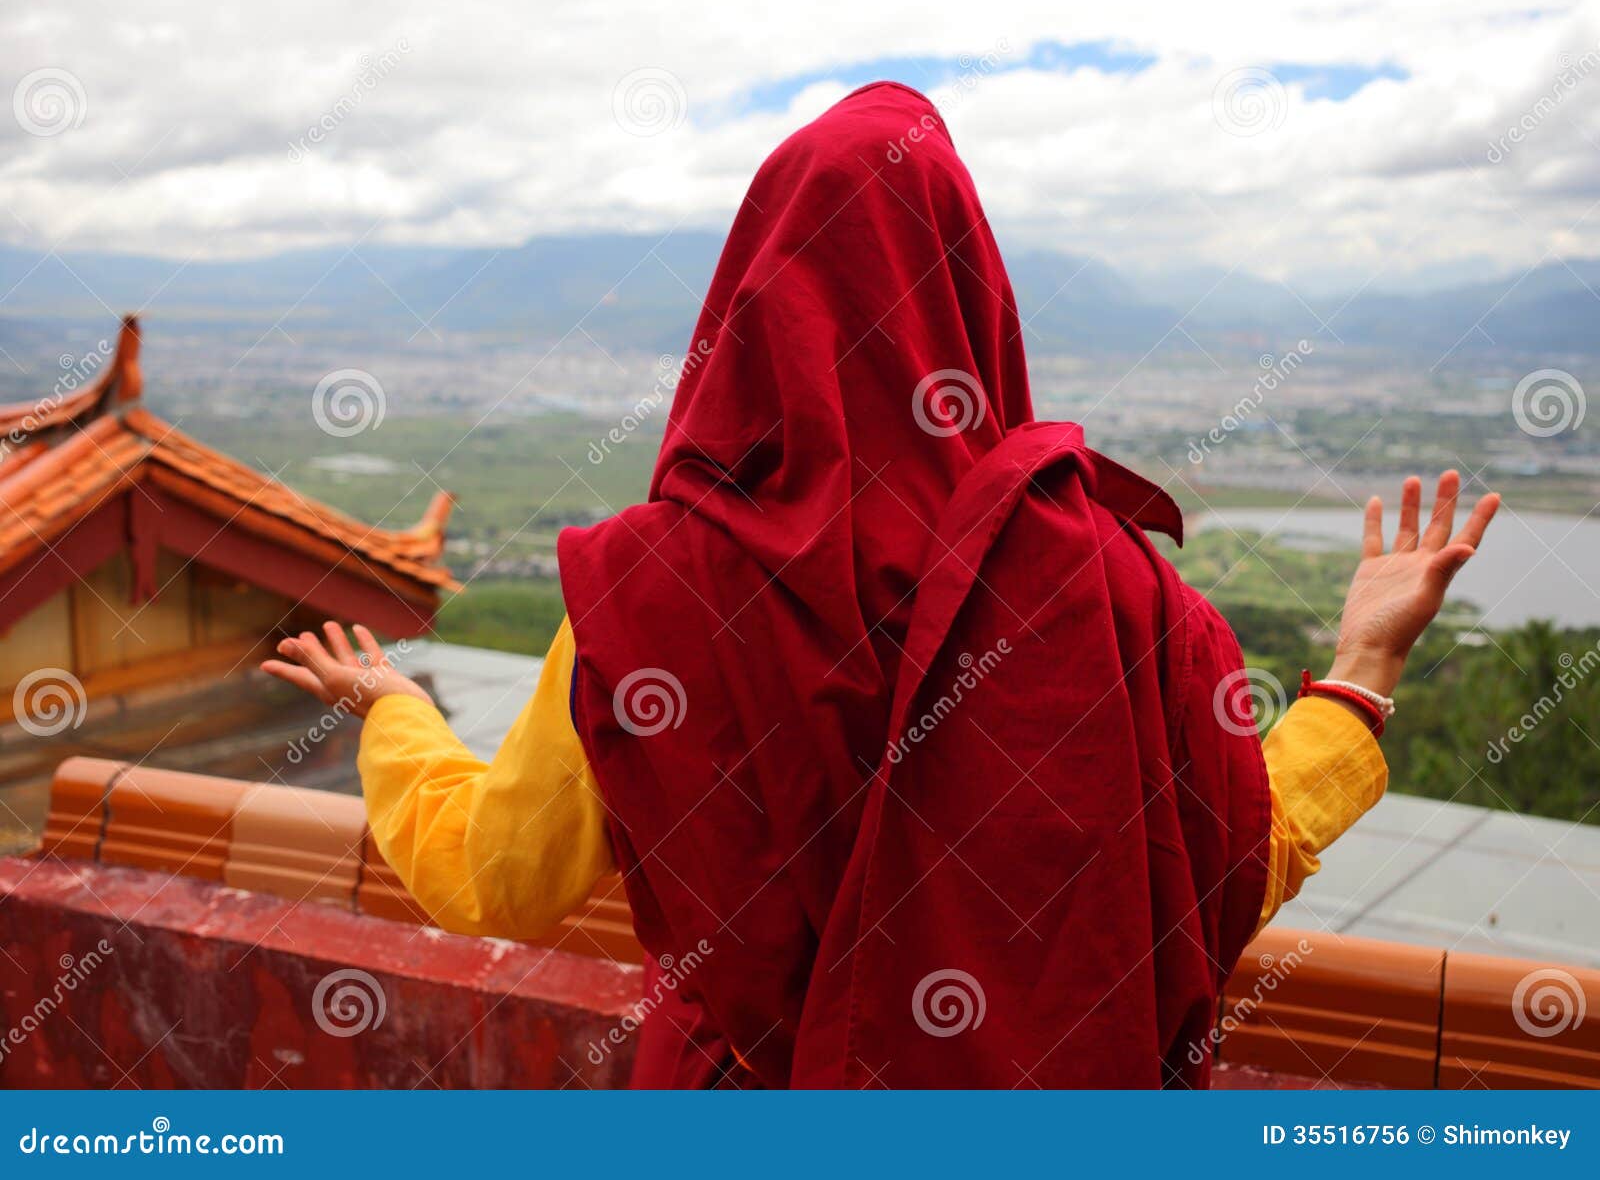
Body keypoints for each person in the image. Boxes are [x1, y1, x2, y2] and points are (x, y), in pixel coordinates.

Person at [263, 83, 1498, 1088]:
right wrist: (1359, 674)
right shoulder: (1120, 593)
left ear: (747, 303)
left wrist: (392, 714)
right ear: (973, 301)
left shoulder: (654, 598)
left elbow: (500, 878)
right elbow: (1224, 866)